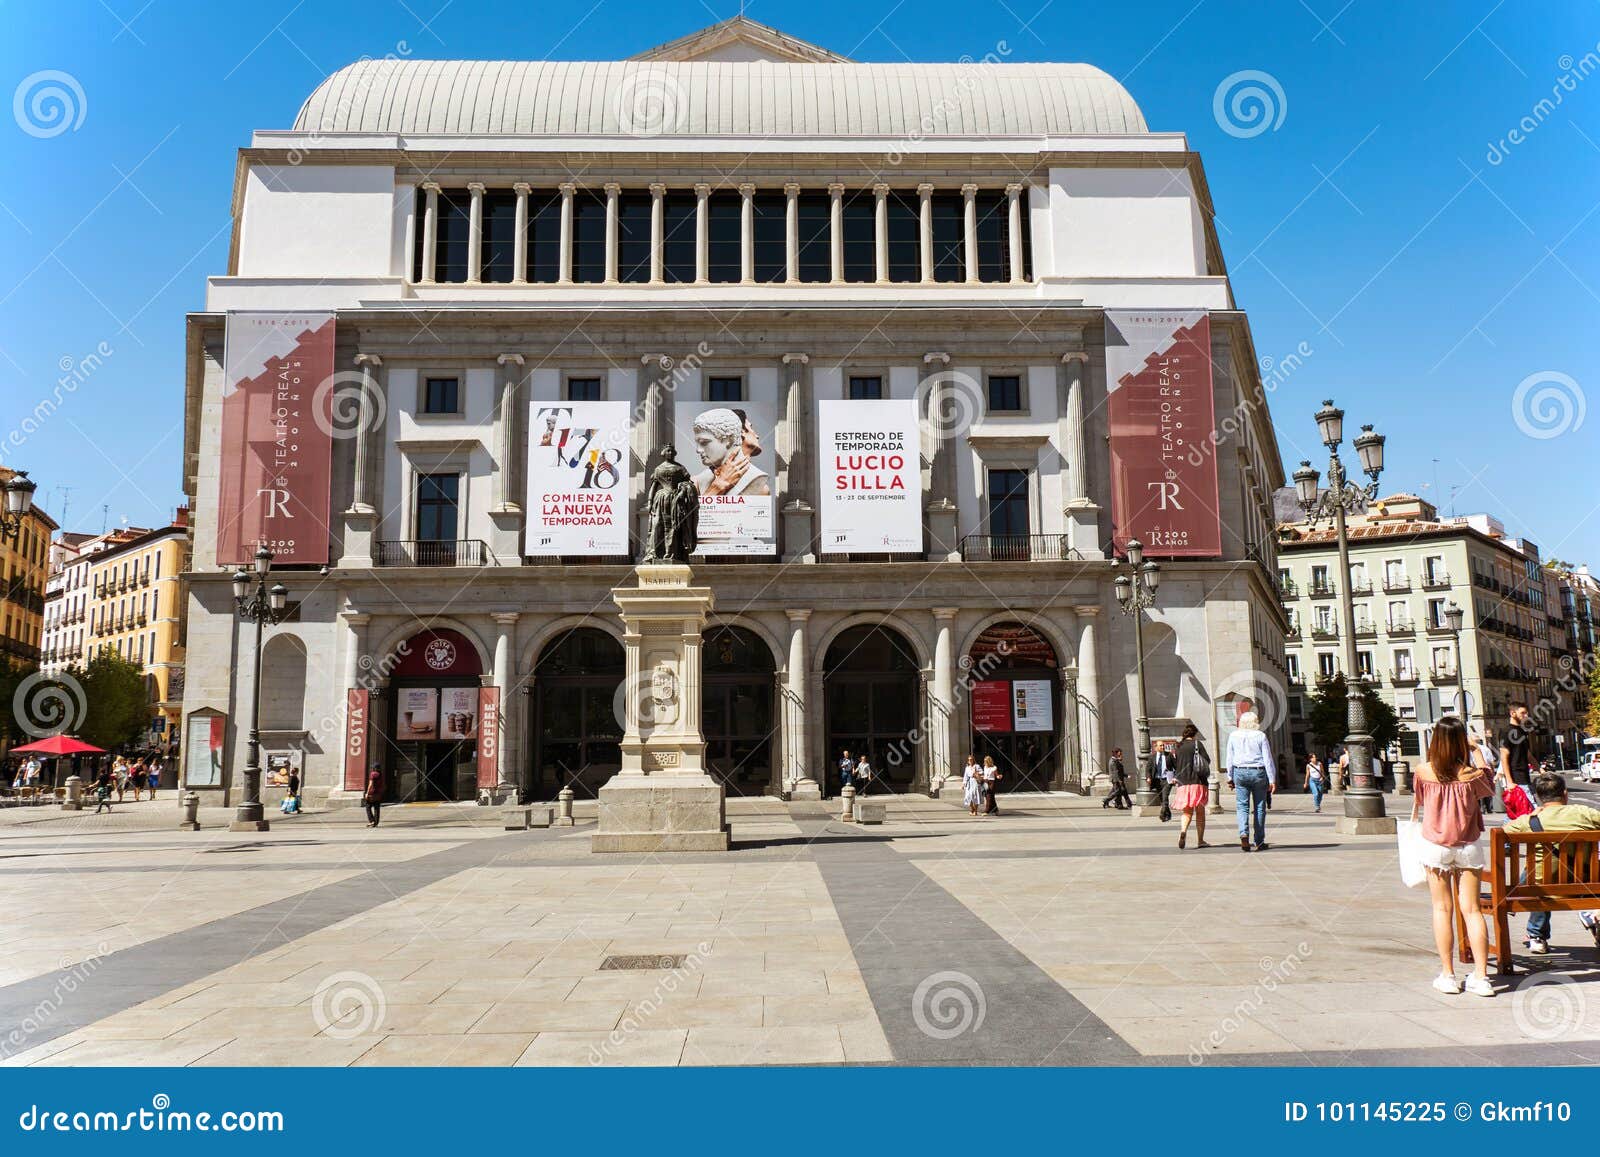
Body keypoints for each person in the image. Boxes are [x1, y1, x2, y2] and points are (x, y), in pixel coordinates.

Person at [1410, 715, 1496, 997]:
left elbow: (1421, 801)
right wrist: (1475, 749)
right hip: (1468, 845)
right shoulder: (1471, 775)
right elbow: (1490, 786)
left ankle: (1448, 975)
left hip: (1435, 845)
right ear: (1461, 741)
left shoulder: (1423, 771)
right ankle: (1481, 977)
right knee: (1471, 909)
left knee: (1441, 909)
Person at [1500, 771, 1600, 955]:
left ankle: (1537, 936)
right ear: (1565, 793)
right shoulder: (1584, 813)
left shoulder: (1531, 820)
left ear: (1538, 797)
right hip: (1586, 886)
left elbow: (1502, 833)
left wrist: (1532, 815)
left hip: (1541, 889)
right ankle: (1592, 914)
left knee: (1536, 874)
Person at [1225, 711, 1275, 852]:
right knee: (1259, 807)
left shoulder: (1233, 735)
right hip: (1258, 772)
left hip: (1240, 771)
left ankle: (1244, 834)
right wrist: (1272, 779)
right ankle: (1259, 841)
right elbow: (1267, 759)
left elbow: (1229, 757)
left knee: (1242, 806)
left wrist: (1230, 776)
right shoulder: (1261, 735)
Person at [1171, 723, 1212, 849]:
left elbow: (1172, 763)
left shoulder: (1178, 746)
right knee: (1200, 812)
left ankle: (1183, 831)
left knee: (1187, 811)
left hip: (1183, 783)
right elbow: (1207, 760)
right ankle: (1200, 840)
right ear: (1194, 734)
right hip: (1198, 782)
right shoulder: (1197, 744)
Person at [1500, 706, 1535, 792]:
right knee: (1531, 805)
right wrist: (1509, 782)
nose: (1526, 716)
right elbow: (1504, 757)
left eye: (1526, 713)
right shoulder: (1506, 731)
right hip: (1516, 779)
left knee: (1531, 805)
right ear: (1512, 713)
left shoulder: (1522, 731)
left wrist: (1540, 770)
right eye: (1522, 713)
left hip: (1525, 777)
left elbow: (1528, 754)